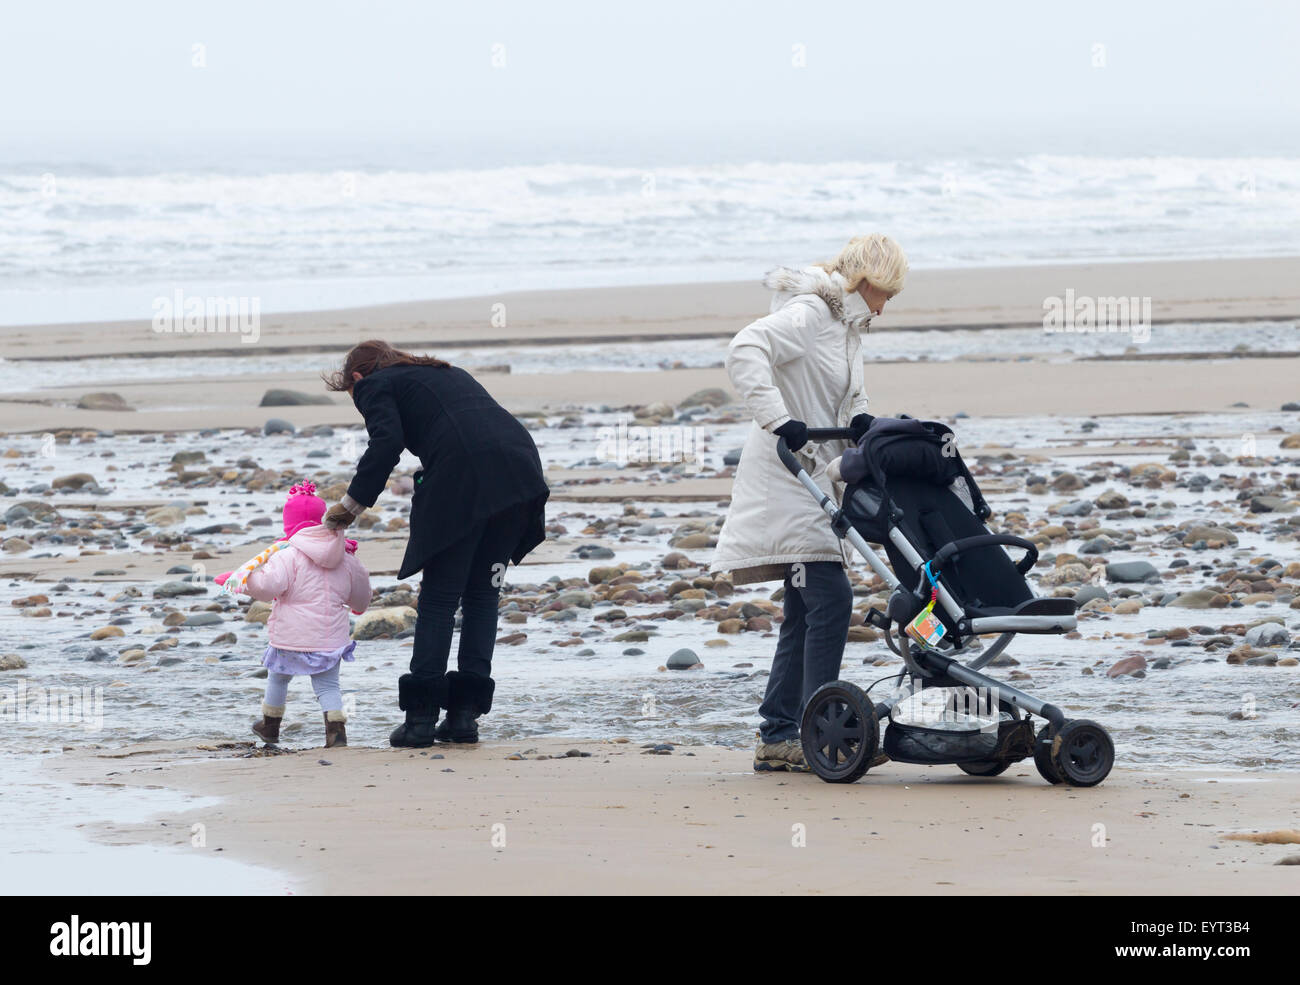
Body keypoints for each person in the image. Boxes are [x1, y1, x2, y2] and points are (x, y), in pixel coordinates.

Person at [710, 234, 908, 772]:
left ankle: (778, 733)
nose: (885, 306)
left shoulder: (848, 328)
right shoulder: (810, 314)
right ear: (864, 282)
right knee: (831, 599)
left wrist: (862, 422)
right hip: (785, 477)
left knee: (802, 607)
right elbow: (746, 349)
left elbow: (849, 394)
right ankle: (815, 730)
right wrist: (780, 420)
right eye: (884, 293)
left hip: (816, 479)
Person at [322, 340, 550, 747]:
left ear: (357, 378)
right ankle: (464, 718)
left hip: (466, 476)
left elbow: (386, 442)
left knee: (440, 599)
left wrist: (351, 505)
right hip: (521, 473)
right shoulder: (446, 372)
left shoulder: (375, 385)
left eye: (352, 394)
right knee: (482, 596)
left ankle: (421, 720)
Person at [217, 480, 371, 748]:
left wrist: (241, 580)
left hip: (290, 637)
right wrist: (359, 606)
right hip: (329, 639)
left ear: (289, 525)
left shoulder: (286, 556)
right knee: (328, 687)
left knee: (278, 677)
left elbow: (267, 588)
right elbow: (360, 591)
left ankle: (270, 727)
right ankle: (336, 734)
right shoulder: (346, 558)